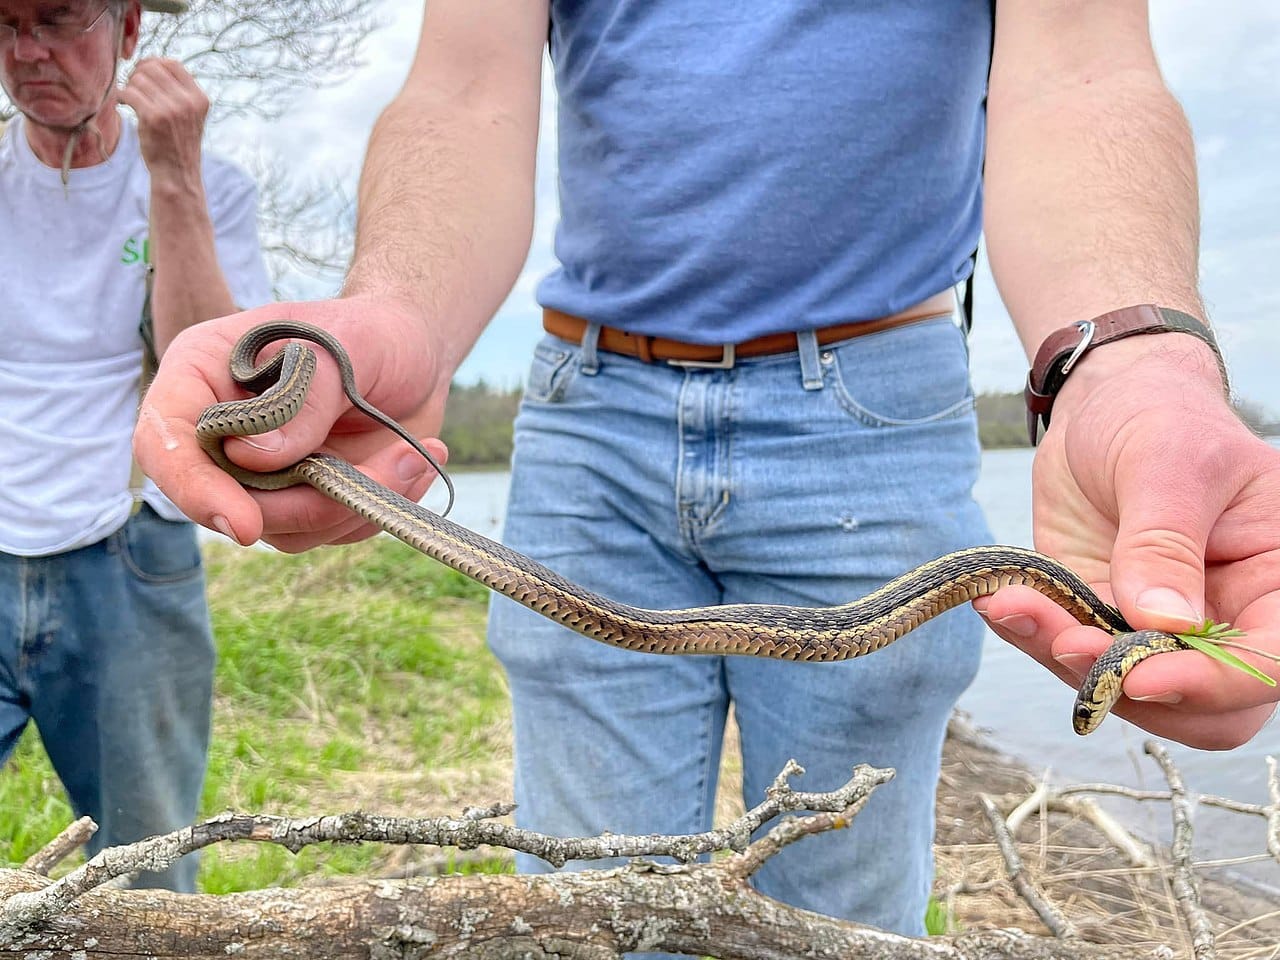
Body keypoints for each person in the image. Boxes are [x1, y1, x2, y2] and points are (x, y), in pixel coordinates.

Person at [135, 0, 1280, 940]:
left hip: (872, 404)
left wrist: (1129, 363)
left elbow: (1080, 76)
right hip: (591, 408)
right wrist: (389, 316)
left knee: (841, 919)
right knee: (589, 910)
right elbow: (462, 91)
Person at [0, 0, 272, 890]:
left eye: (58, 18)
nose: (29, 50)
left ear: (128, 31)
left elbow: (221, 389)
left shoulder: (206, 181)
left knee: (148, 878)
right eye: (4, 24)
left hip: (127, 558)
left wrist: (174, 178)